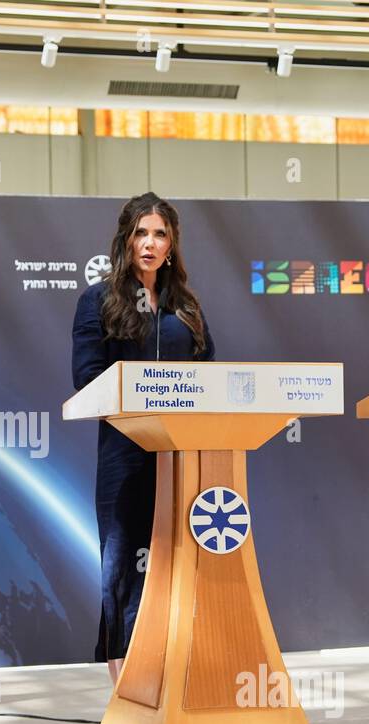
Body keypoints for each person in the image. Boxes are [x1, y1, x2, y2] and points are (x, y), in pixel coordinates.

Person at [71, 193, 215, 685]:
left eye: (159, 234)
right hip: (125, 458)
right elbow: (87, 378)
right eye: (140, 233)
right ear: (125, 240)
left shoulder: (187, 307)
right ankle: (127, 698)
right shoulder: (98, 300)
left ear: (172, 244)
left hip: (182, 460)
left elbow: (208, 377)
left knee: (176, 570)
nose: (149, 243)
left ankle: (175, 686)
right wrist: (142, 391)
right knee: (123, 575)